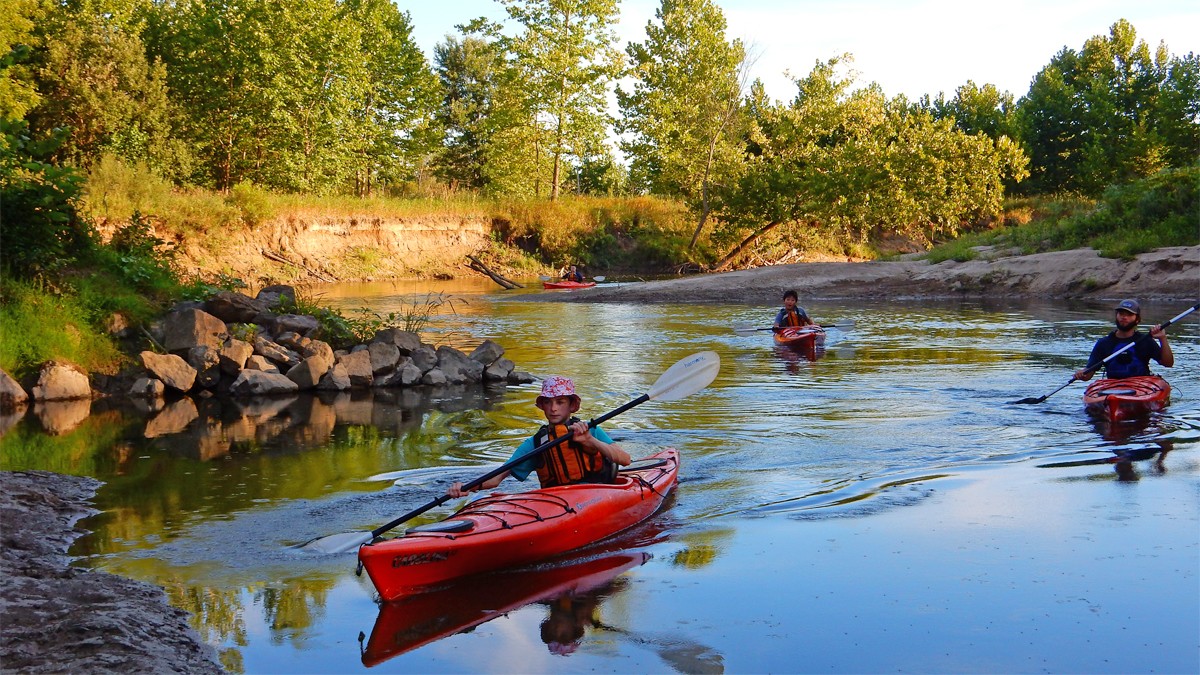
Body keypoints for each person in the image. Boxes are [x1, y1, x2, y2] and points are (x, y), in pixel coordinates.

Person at [448, 376, 631, 497]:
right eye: (548, 402)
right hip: (559, 502)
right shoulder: (536, 443)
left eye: (560, 402)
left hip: (597, 493)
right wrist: (466, 487)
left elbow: (625, 459)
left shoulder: (589, 430)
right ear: (542, 406)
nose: (553, 409)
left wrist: (590, 440)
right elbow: (497, 478)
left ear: (571, 405)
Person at [1074, 299, 1174, 381]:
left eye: (1129, 314)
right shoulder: (1104, 343)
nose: (1124, 317)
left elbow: (1168, 363)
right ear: (1116, 316)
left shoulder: (1145, 341)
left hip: (1141, 386)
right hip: (1112, 387)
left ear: (1137, 319)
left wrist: (1162, 339)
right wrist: (1082, 373)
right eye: (1121, 313)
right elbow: (1088, 374)